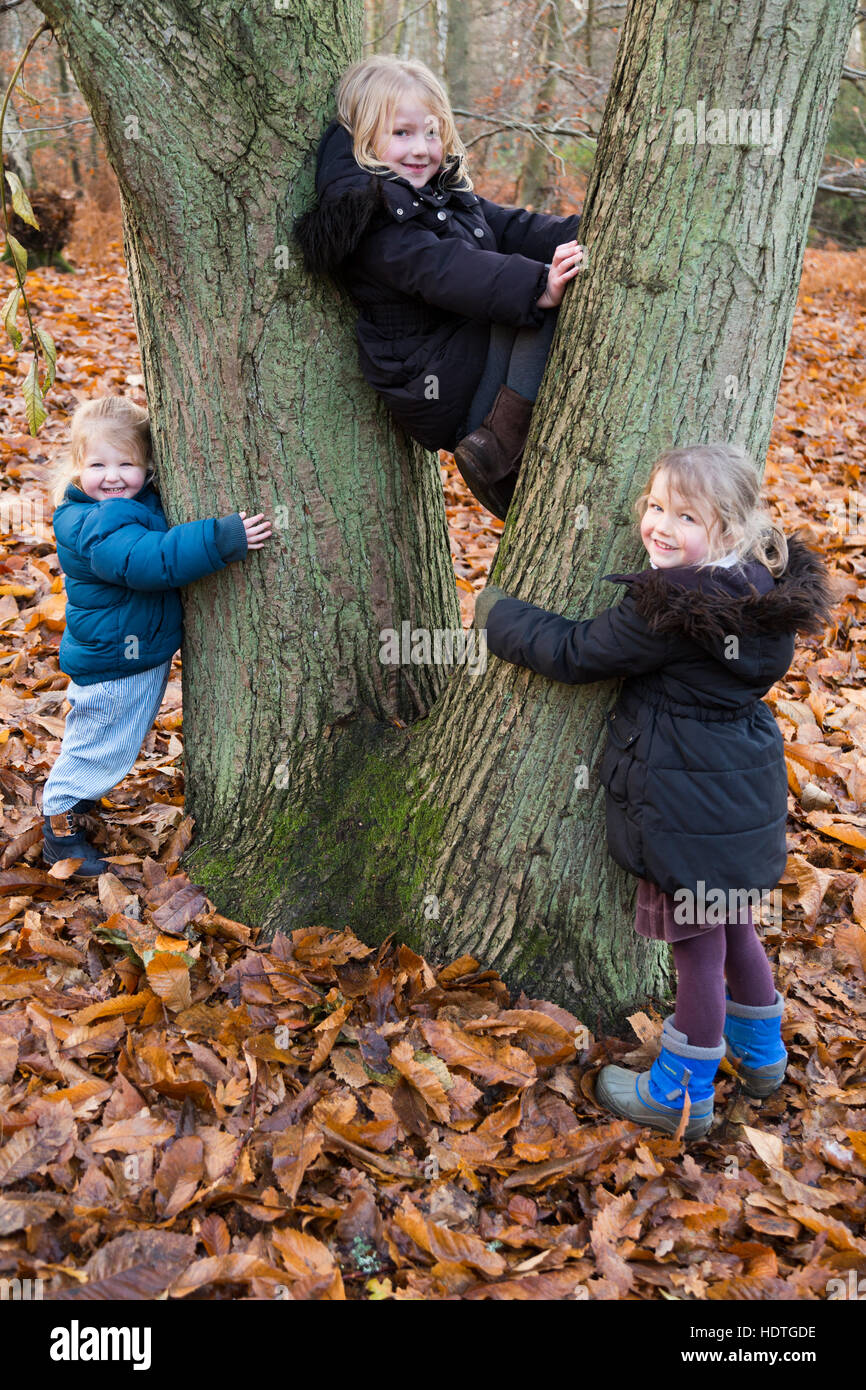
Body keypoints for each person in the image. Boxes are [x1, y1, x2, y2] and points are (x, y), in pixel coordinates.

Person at [473, 443, 836, 1140]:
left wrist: (497, 616)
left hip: (684, 812)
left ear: (726, 532)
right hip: (737, 799)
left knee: (697, 948)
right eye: (655, 506)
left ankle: (681, 1092)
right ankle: (763, 1057)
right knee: (733, 927)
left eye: (685, 517)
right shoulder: (757, 594)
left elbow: (575, 651)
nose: (660, 527)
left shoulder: (674, 609)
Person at [293, 53, 585, 520]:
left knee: (546, 285)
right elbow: (442, 268)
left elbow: (508, 227)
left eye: (431, 132)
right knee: (542, 303)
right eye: (401, 133)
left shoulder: (438, 192)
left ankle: (511, 429)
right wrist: (536, 287)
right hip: (433, 380)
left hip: (461, 353)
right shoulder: (373, 220)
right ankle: (499, 447)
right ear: (364, 138)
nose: (421, 149)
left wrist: (589, 229)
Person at [42, 396, 272, 877]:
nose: (112, 476)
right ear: (76, 467)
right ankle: (59, 826)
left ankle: (78, 803)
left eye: (127, 463)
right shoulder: (97, 521)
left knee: (112, 741)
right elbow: (148, 560)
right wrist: (217, 539)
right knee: (98, 741)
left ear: (148, 468)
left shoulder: (122, 506)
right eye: (98, 463)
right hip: (113, 663)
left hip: (130, 655)